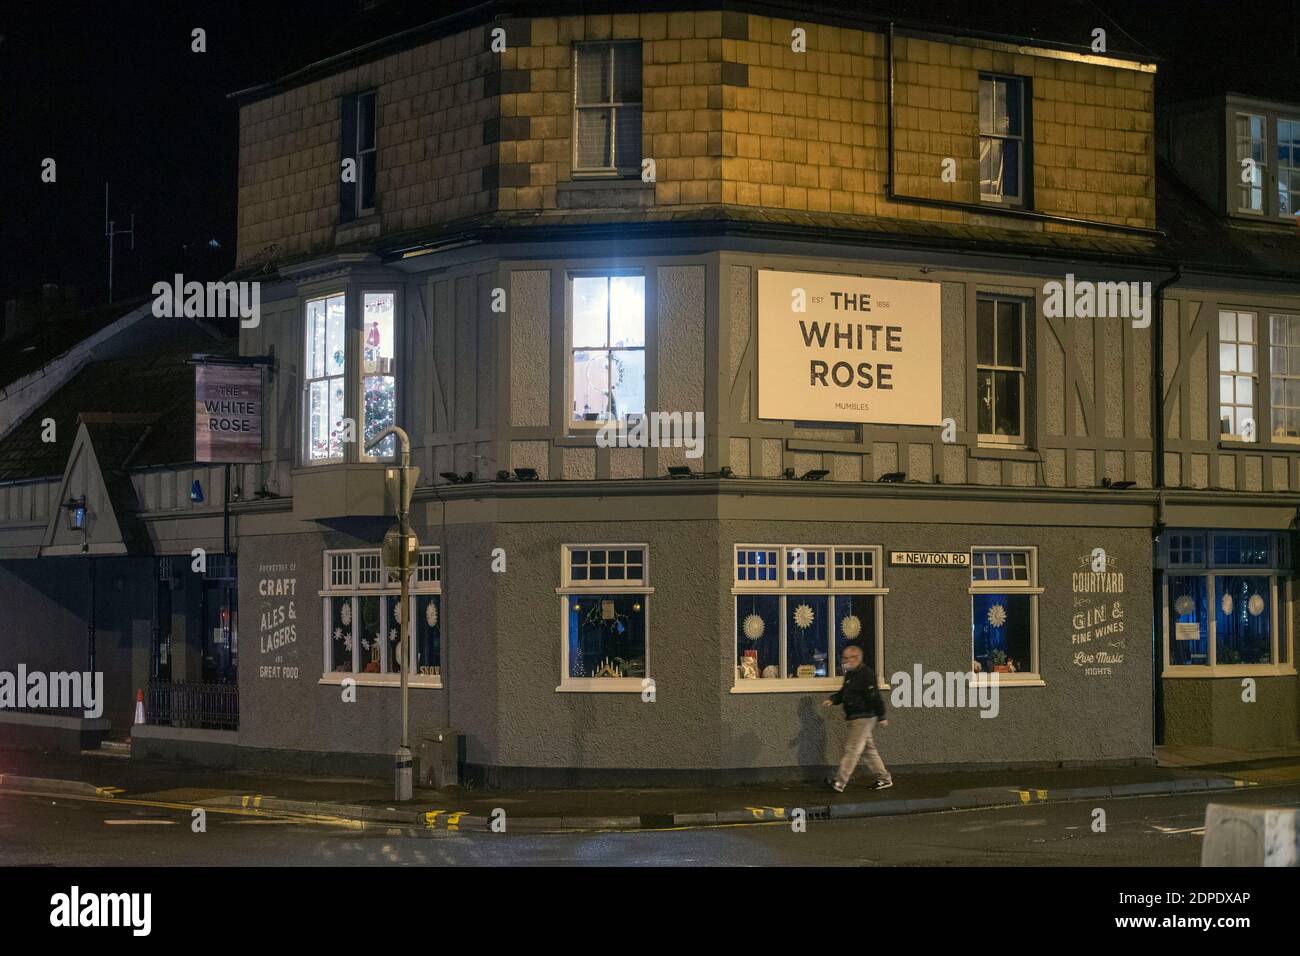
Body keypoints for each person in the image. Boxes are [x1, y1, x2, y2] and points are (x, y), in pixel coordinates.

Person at [821, 644, 892, 792]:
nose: (844, 661)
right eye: (843, 658)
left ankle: (839, 783)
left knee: (852, 749)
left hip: (864, 717)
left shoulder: (866, 674)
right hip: (856, 716)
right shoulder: (851, 674)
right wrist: (833, 699)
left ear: (856, 658)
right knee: (868, 750)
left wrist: (881, 715)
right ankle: (884, 779)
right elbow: (844, 692)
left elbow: (874, 696)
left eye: (847, 658)